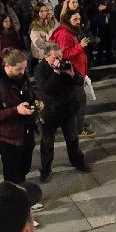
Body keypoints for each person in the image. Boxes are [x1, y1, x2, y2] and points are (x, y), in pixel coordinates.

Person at [0, 48, 39, 184]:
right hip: (7, 136)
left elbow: (30, 93)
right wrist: (16, 110)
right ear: (7, 66)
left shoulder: (21, 76)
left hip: (25, 130)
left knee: (25, 166)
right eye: (19, 69)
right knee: (13, 172)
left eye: (24, 68)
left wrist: (36, 101)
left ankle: (20, 193)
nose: (23, 72)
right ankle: (17, 199)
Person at [33, 42, 89, 182]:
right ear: (46, 57)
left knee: (72, 139)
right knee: (47, 144)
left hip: (67, 110)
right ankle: (46, 169)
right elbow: (45, 88)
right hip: (49, 112)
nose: (59, 60)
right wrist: (56, 74)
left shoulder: (66, 65)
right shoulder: (40, 69)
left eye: (61, 56)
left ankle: (77, 161)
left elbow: (80, 82)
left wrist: (71, 74)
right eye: (56, 57)